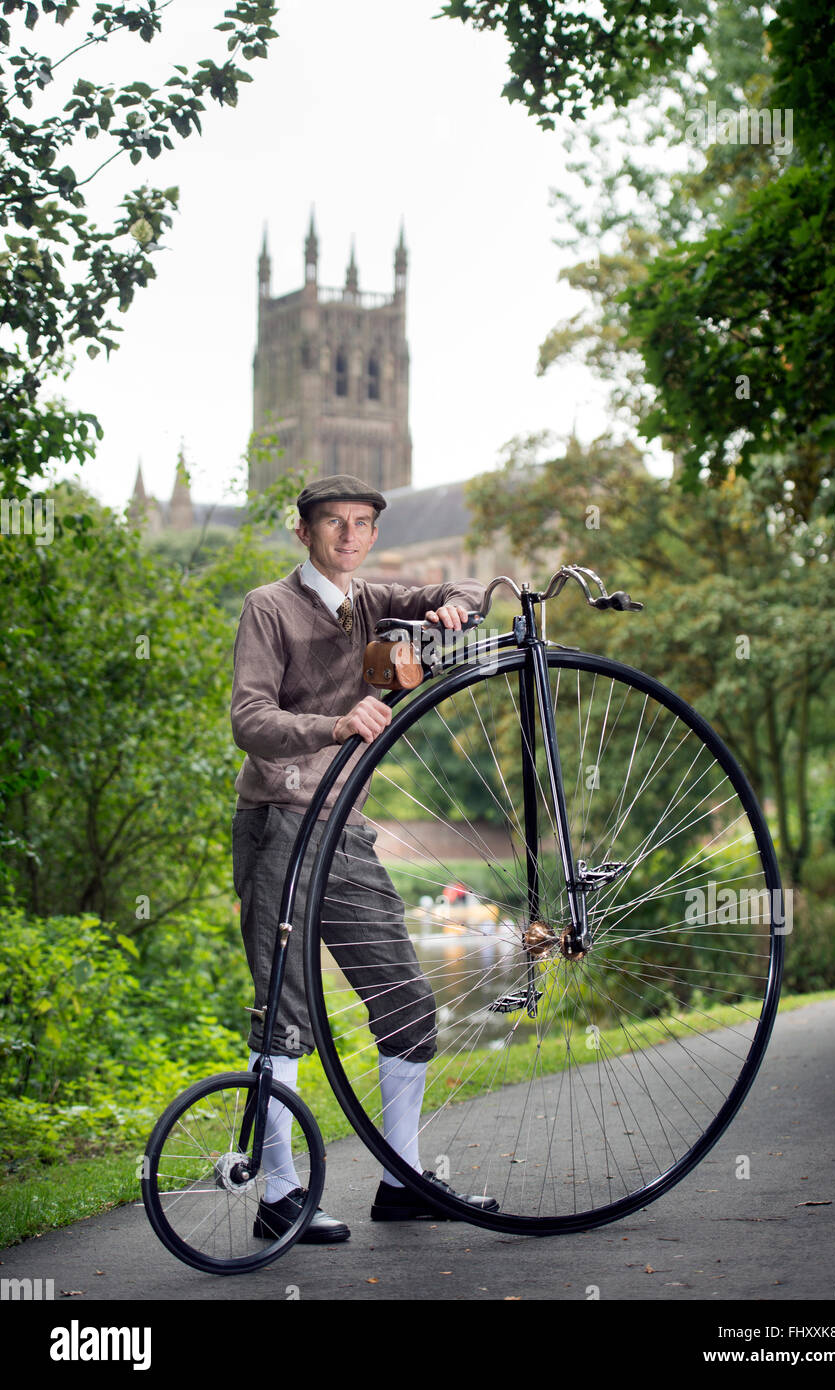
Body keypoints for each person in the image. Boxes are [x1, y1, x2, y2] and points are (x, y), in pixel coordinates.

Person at [230, 473, 498, 1242]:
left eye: (361, 525)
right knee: (285, 1016)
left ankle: (402, 1181)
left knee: (409, 1002)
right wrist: (335, 722)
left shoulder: (375, 601)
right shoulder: (269, 607)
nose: (348, 536)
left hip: (344, 829)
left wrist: (457, 606)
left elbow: (470, 584)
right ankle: (280, 1197)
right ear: (304, 531)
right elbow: (251, 720)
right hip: (278, 821)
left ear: (374, 535)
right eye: (332, 524)